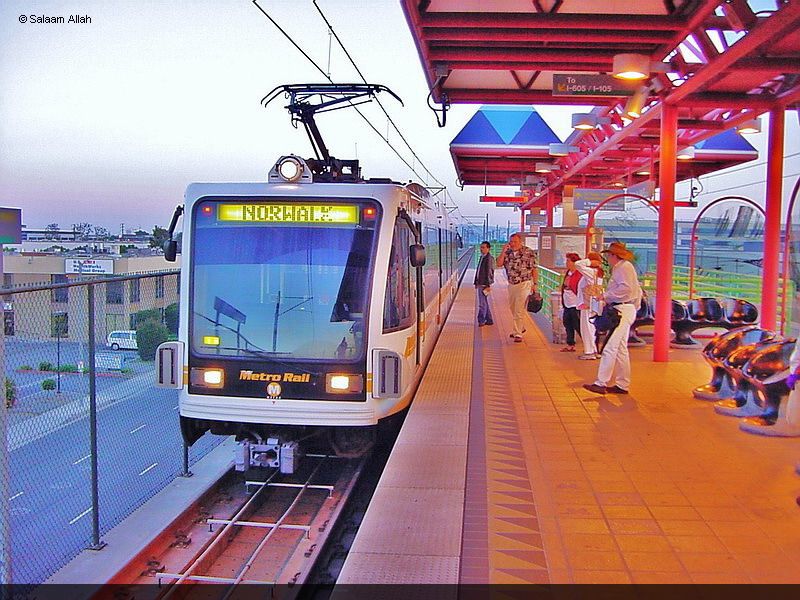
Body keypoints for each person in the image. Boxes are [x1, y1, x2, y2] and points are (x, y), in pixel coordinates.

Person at [583, 241, 641, 394]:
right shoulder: (624, 267)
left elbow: (626, 289)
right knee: (621, 349)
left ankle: (601, 382)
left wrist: (606, 295)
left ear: (614, 256)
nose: (607, 258)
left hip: (622, 309)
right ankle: (623, 384)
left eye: (608, 255)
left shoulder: (623, 268)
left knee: (610, 346)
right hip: (626, 308)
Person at [496, 233, 538, 343]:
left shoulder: (528, 252)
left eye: (515, 242)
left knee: (519, 308)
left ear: (520, 242)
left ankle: (518, 333)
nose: (513, 244)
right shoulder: (507, 253)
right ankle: (521, 326)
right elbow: (499, 264)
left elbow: (534, 268)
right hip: (512, 284)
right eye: (511, 242)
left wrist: (535, 284)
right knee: (513, 307)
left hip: (525, 282)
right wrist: (503, 251)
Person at [574, 251, 604, 360]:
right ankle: (593, 350)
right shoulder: (598, 273)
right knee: (591, 327)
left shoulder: (591, 272)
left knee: (587, 327)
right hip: (594, 303)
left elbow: (577, 264)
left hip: (588, 303)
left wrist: (590, 262)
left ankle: (589, 351)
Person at [560, 253, 582, 352]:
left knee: (577, 324)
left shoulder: (579, 274)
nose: (567, 263)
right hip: (567, 302)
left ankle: (589, 342)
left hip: (575, 303)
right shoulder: (568, 273)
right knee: (567, 322)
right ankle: (570, 343)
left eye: (568, 261)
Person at [474, 241, 495, 327]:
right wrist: (476, 281)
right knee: (484, 302)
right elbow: (479, 270)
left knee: (482, 303)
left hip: (484, 283)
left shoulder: (489, 258)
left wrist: (487, 284)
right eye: (481, 247)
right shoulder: (482, 257)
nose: (481, 249)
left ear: (488, 248)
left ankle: (481, 320)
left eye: (483, 247)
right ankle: (489, 319)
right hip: (480, 282)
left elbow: (489, 272)